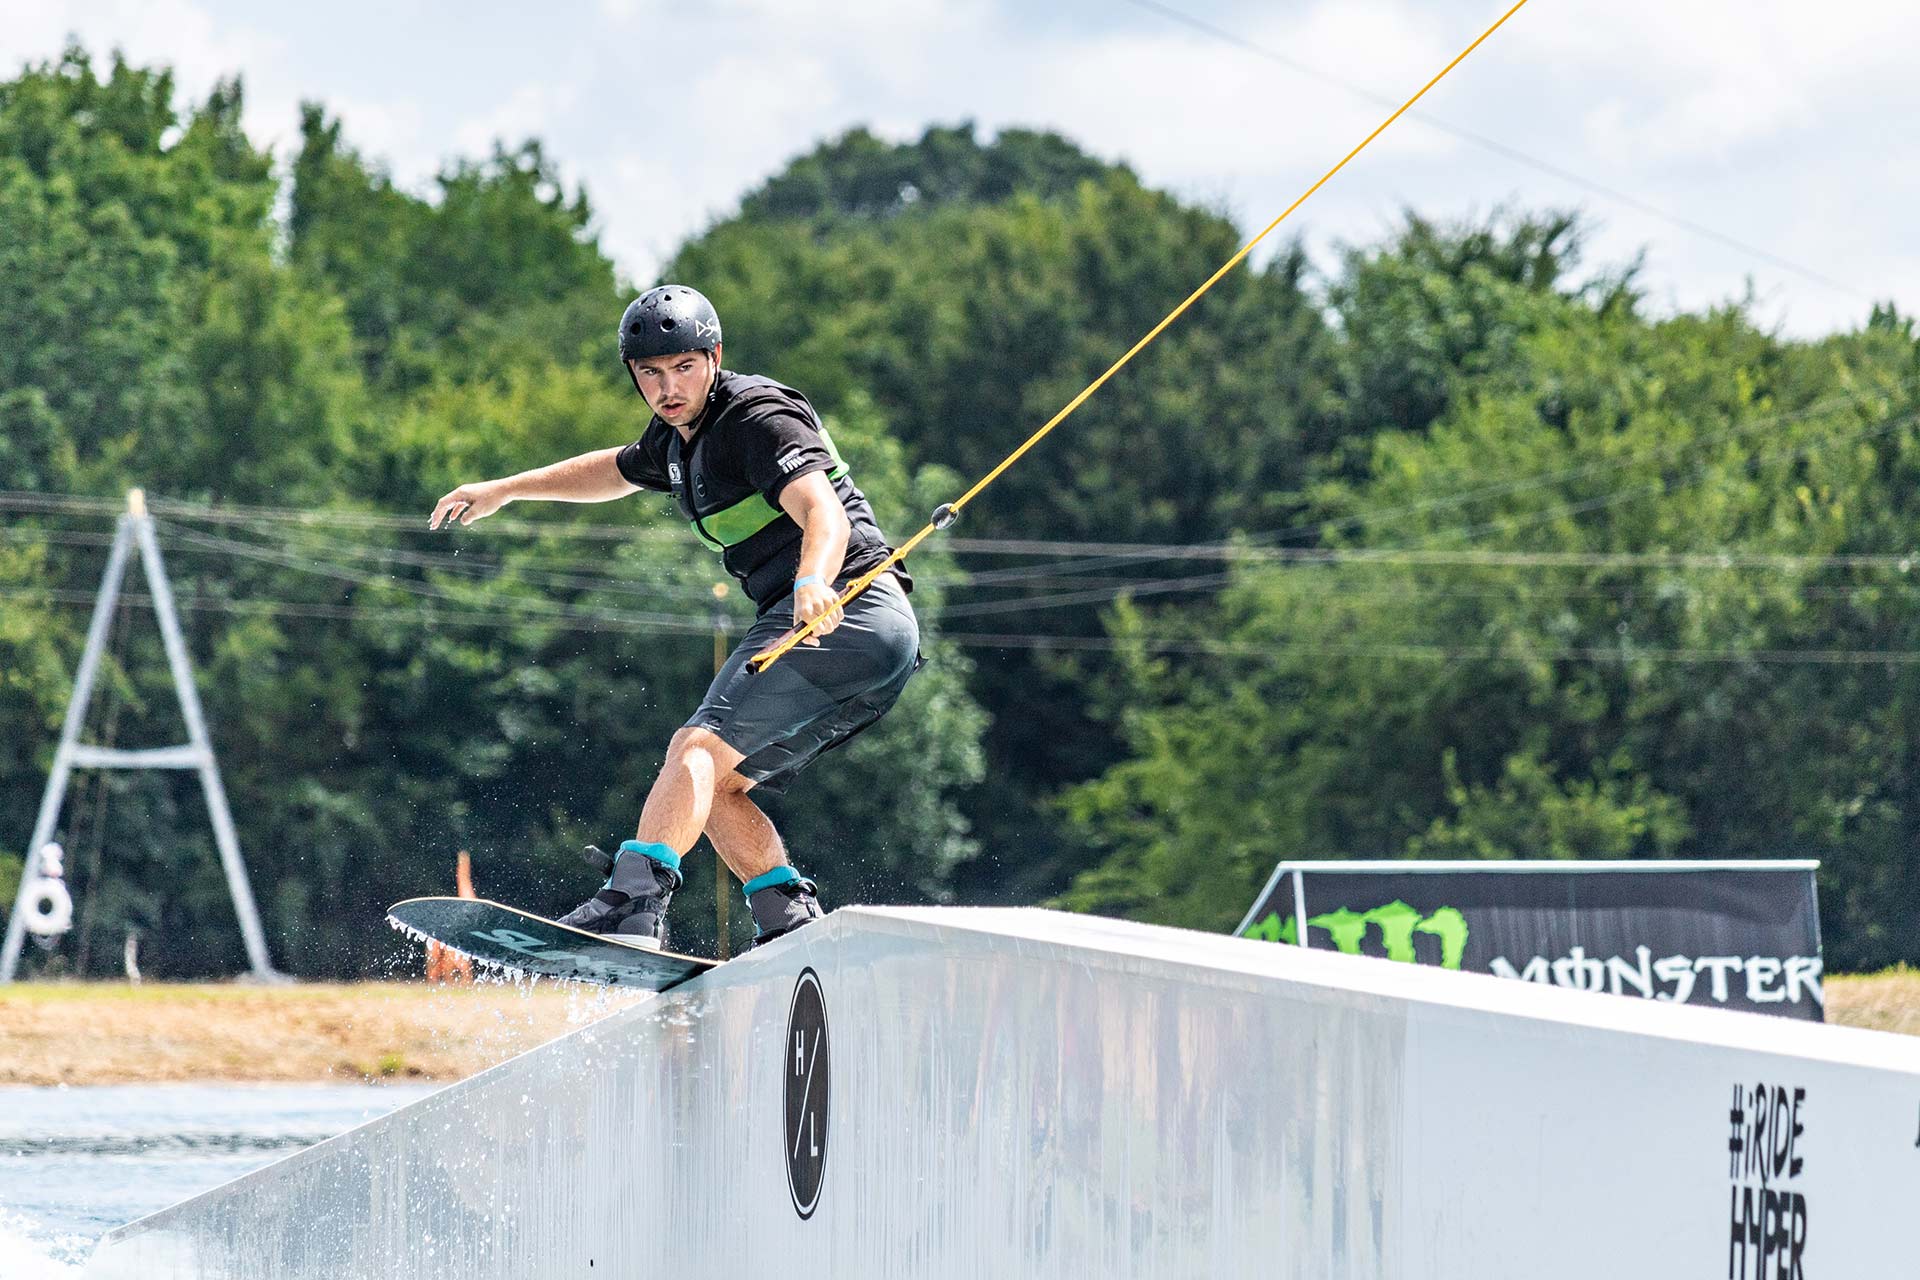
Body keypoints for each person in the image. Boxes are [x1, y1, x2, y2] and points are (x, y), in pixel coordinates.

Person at [428, 285, 921, 949]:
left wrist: (812, 579)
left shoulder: (756, 416)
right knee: (712, 783)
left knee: (692, 748)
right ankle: (789, 921)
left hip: (848, 608)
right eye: (651, 374)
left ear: (715, 357)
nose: (668, 388)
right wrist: (507, 489)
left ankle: (632, 903)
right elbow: (613, 470)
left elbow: (821, 510)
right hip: (861, 643)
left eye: (684, 368)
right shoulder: (675, 440)